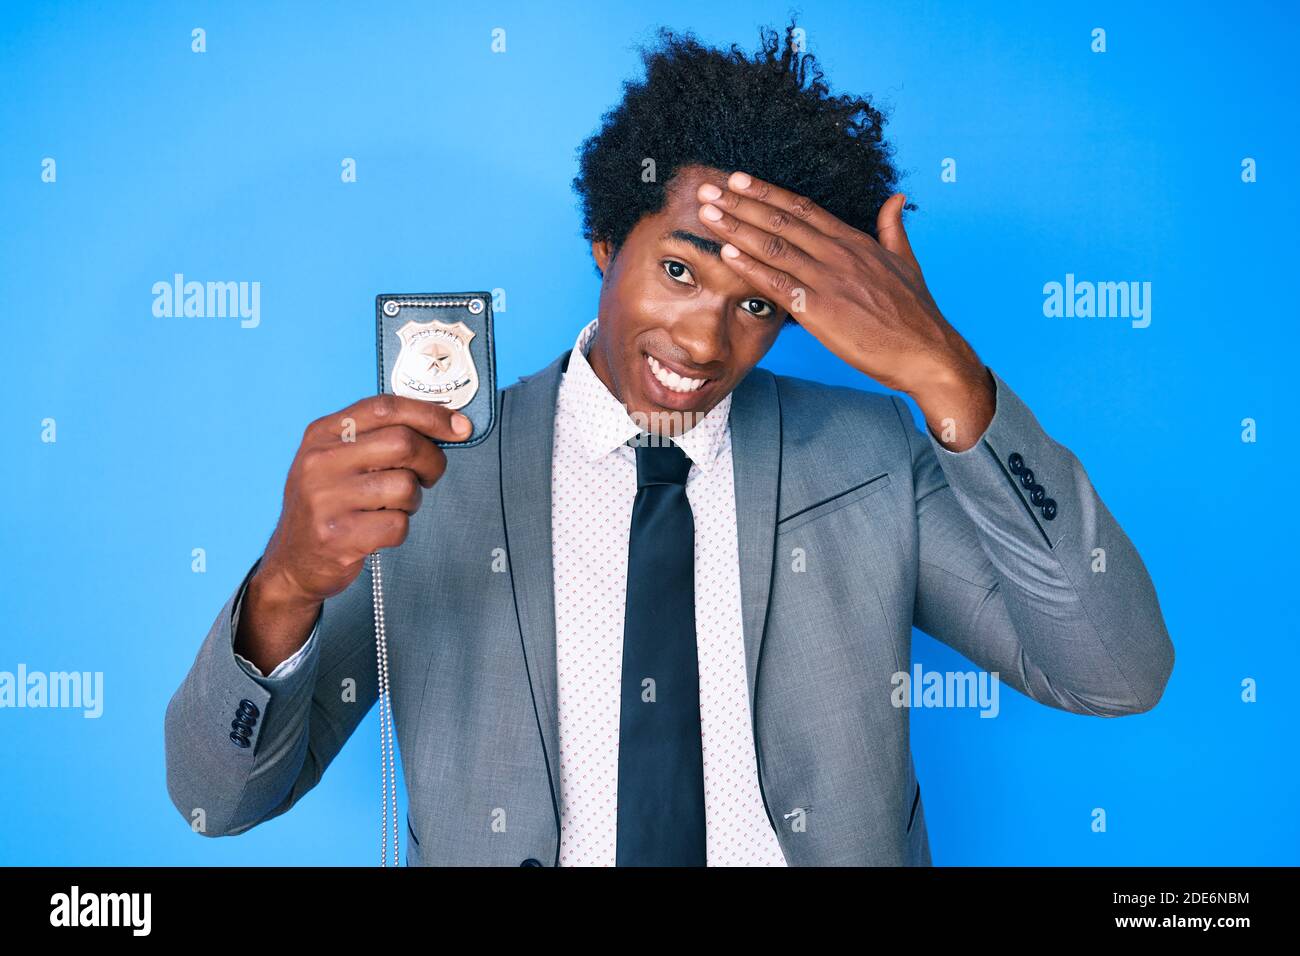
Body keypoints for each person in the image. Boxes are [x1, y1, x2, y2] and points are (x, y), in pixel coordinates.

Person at [164, 21, 1174, 866]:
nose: (704, 338)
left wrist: (947, 376)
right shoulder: (432, 479)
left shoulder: (868, 452)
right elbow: (219, 798)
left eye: (756, 302)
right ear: (607, 241)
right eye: (681, 271)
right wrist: (286, 586)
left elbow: (1114, 670)